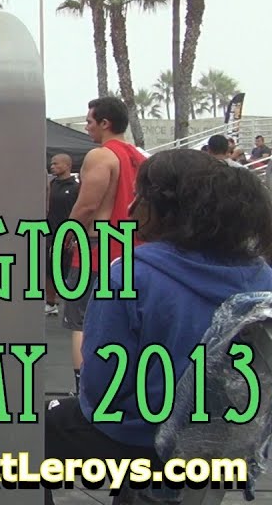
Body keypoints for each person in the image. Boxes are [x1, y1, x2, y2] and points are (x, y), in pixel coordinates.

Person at [43, 148, 272, 504]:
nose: (132, 208)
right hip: (224, 439)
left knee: (20, 432)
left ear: (165, 209)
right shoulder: (263, 277)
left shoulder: (131, 273)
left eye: (140, 197)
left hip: (141, 437)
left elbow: (102, 389)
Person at [65, 96, 147, 396]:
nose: (86, 127)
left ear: (105, 123)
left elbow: (87, 206)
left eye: (89, 121)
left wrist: (67, 236)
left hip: (97, 252)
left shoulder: (101, 157)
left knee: (81, 323)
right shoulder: (140, 157)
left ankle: (82, 392)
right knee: (121, 326)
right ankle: (121, 391)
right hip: (131, 253)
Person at [46, 153, 80, 316]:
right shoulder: (51, 184)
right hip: (50, 233)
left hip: (68, 234)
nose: (52, 166)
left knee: (67, 270)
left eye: (56, 164)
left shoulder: (75, 187)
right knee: (49, 269)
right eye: (51, 164)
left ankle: (74, 305)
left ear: (67, 165)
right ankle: (50, 303)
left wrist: (73, 236)